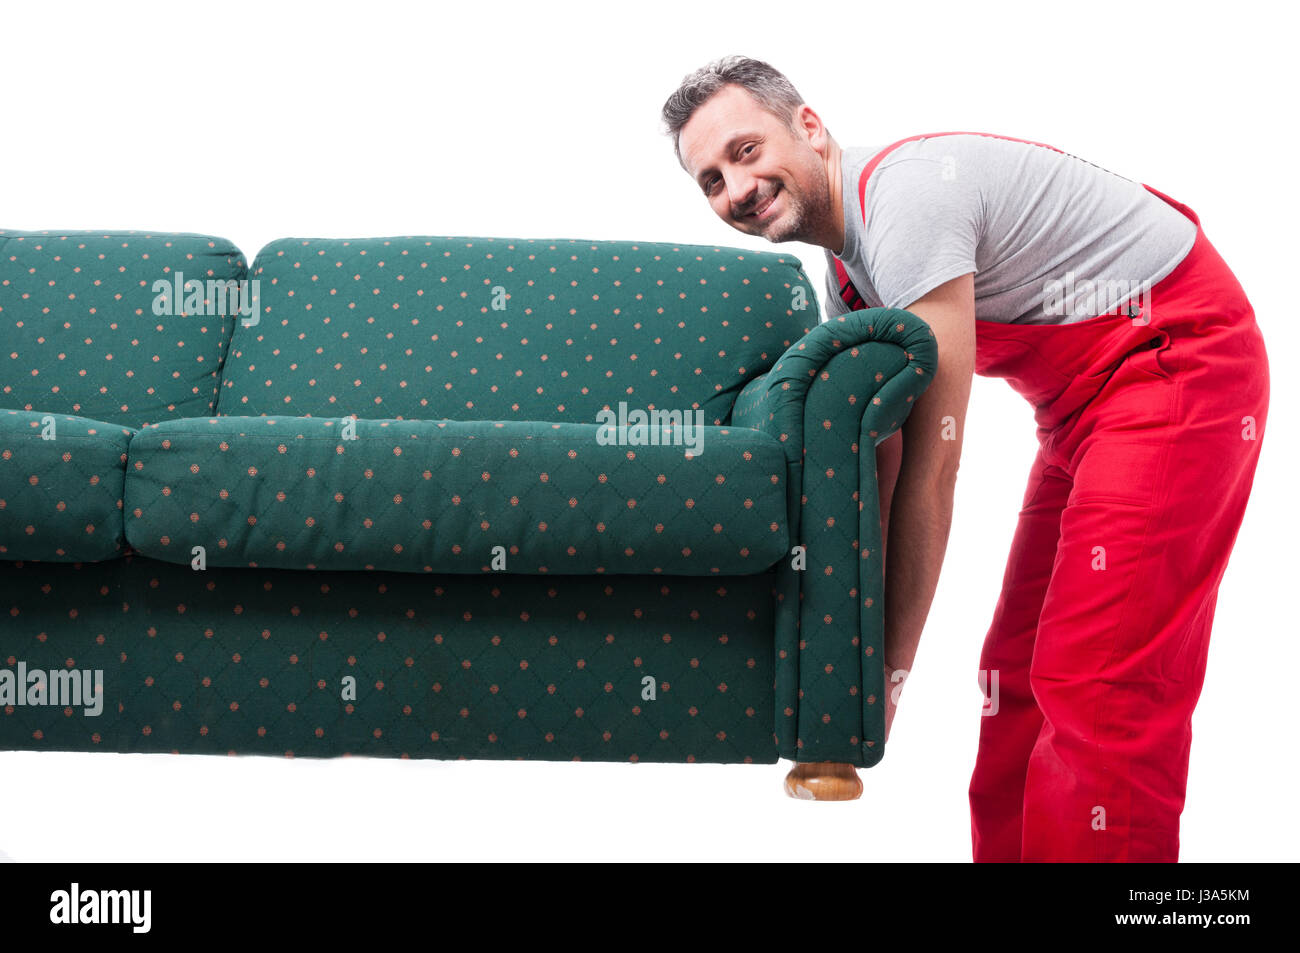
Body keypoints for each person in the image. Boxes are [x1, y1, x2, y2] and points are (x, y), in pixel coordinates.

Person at [662, 55, 1269, 863]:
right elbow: (874, 480)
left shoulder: (905, 203)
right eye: (710, 179)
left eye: (744, 152)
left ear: (809, 128)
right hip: (1080, 409)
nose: (735, 189)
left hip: (1176, 357)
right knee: (1011, 676)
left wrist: (888, 676)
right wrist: (850, 662)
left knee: (1097, 681)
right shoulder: (847, 281)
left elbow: (933, 471)